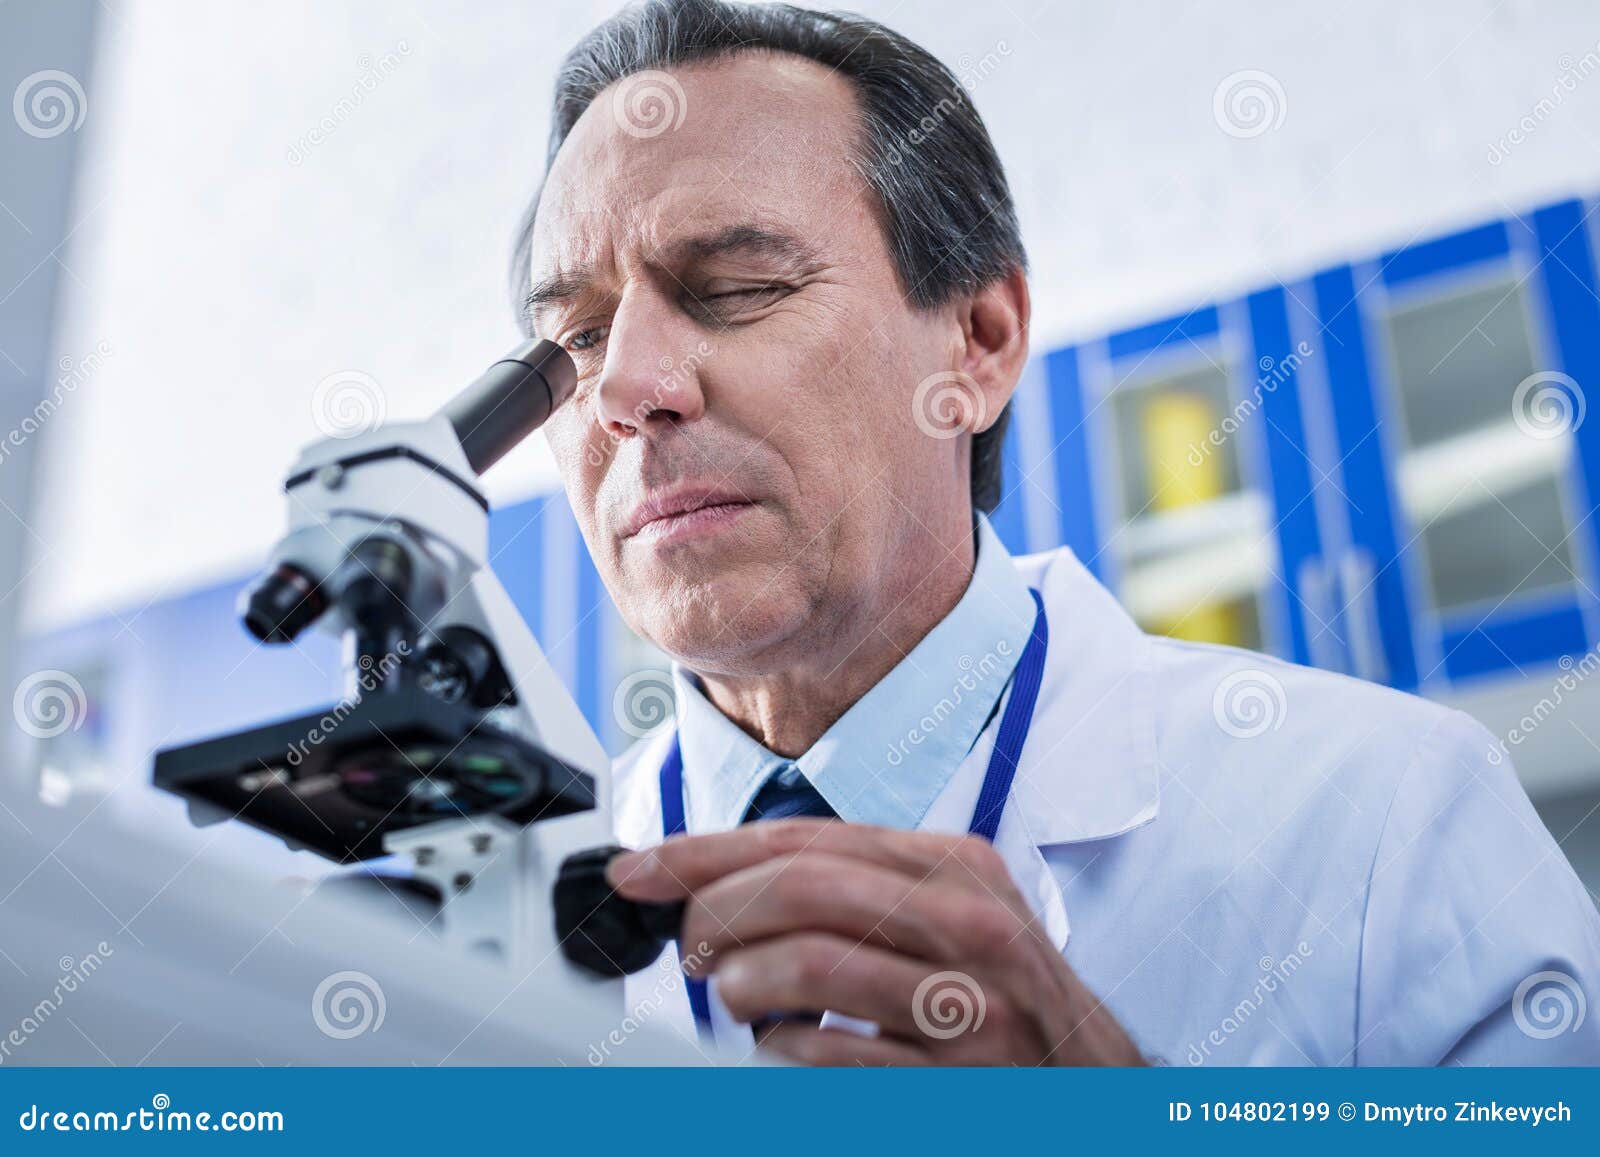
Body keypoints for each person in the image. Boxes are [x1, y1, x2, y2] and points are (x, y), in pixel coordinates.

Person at [514, 0, 1600, 1065]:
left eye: (737, 287)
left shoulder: (1386, 821)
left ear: (979, 342)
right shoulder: (488, 929)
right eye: (577, 338)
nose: (626, 388)